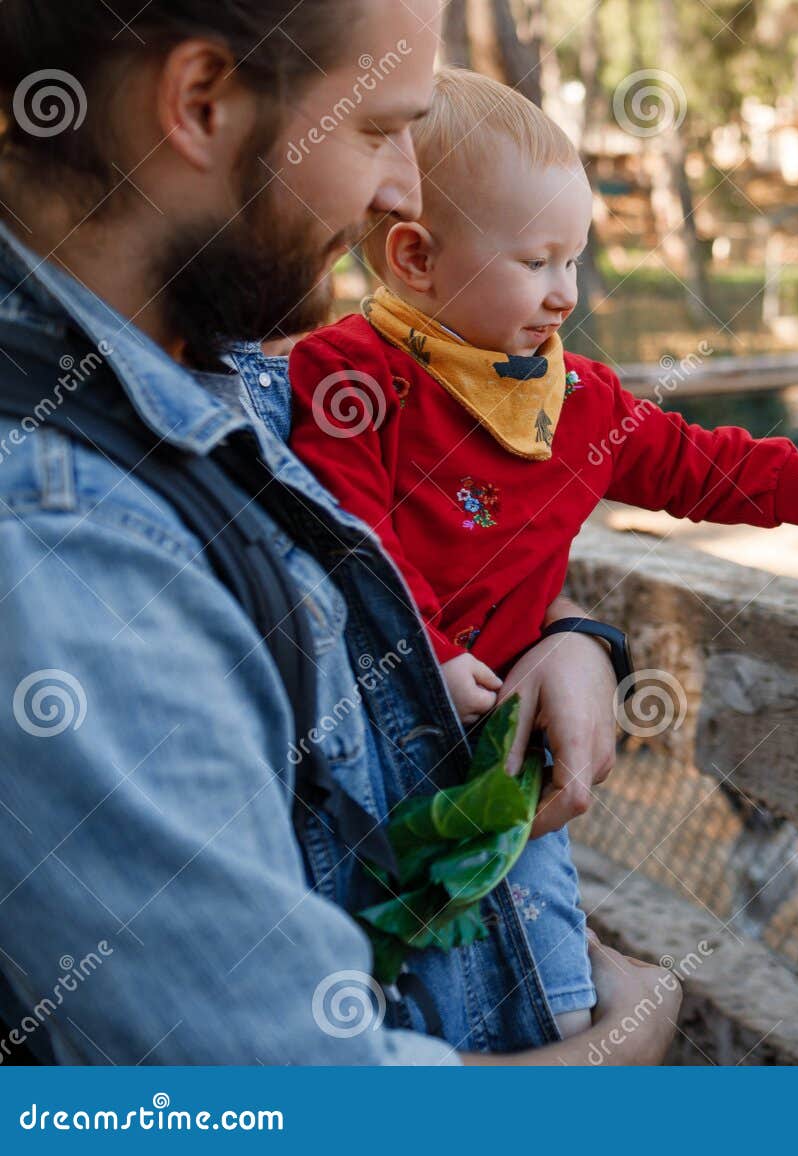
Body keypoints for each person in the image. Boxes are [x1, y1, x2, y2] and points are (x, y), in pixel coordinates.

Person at [0, 0, 677, 1064]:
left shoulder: (215, 387)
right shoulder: (64, 541)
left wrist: (570, 633)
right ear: (202, 103)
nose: (403, 188)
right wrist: (635, 1033)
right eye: (375, 131)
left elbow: (391, 546)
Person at [282, 69, 798, 1039]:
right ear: (415, 258)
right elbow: (345, 530)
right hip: (371, 740)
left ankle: (564, 1025)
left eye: (574, 260)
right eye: (537, 263)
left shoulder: (576, 402)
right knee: (384, 946)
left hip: (508, 746)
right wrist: (426, 652)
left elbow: (689, 461)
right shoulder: (348, 377)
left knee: (539, 931)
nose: (566, 293)